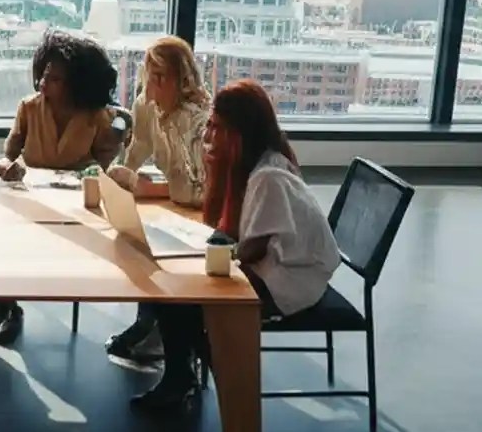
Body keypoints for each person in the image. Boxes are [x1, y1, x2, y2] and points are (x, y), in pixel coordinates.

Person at [130, 80, 340, 411]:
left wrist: (202, 260)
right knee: (178, 286)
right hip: (276, 266)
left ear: (242, 133)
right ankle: (194, 371)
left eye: (218, 129)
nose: (209, 138)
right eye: (209, 127)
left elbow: (252, 250)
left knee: (179, 294)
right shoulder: (255, 166)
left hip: (290, 281)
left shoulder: (268, 177)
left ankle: (214, 382)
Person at [0, 30, 121, 344]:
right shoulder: (29, 107)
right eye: (43, 76)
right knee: (5, 238)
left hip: (76, 207)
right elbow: (7, 156)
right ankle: (5, 308)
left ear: (76, 83)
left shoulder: (98, 117)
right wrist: (8, 168)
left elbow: (105, 169)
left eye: (55, 79)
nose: (44, 84)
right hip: (30, 199)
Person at [104, 36, 211, 364]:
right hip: (177, 205)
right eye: (149, 77)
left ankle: (167, 337)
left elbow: (200, 191)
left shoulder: (198, 120)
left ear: (184, 79)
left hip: (203, 216)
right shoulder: (146, 104)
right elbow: (136, 151)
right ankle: (147, 323)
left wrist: (151, 190)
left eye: (161, 78)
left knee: (159, 249)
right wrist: (118, 179)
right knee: (136, 238)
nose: (151, 89)